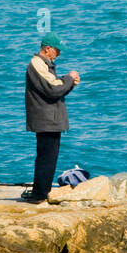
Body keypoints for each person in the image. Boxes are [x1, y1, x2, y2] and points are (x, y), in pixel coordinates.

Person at [22, 36, 80, 203]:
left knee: (48, 156)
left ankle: (41, 191)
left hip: (49, 119)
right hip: (46, 119)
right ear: (47, 49)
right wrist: (69, 78)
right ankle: (39, 194)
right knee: (46, 157)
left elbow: (55, 87)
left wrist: (69, 83)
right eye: (57, 50)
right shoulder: (37, 64)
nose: (59, 53)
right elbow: (54, 89)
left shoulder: (43, 64)